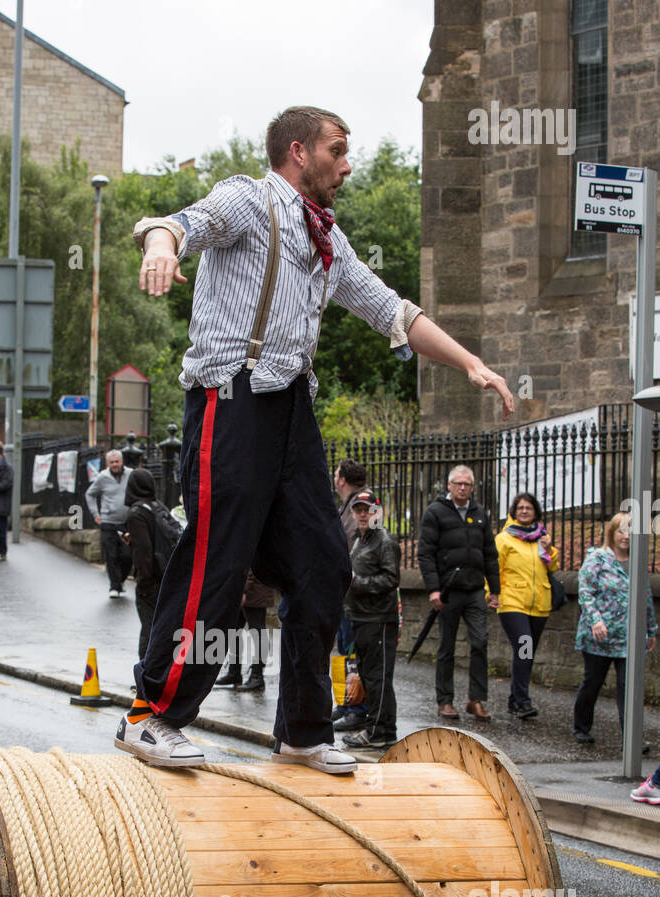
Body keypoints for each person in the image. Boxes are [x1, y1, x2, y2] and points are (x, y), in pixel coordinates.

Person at [114, 105, 513, 771]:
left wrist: (469, 361)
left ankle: (302, 731)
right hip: (232, 398)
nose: (348, 164)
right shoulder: (249, 200)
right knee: (218, 558)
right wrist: (160, 246)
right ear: (298, 152)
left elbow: (391, 309)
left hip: (292, 410)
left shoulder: (328, 239)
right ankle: (152, 715)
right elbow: (178, 224)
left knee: (324, 564)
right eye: (338, 150)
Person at [418, 465, 501, 721]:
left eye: (467, 484)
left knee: (480, 643)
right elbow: (425, 553)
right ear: (449, 485)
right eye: (458, 483)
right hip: (448, 591)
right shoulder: (435, 512)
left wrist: (495, 589)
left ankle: (475, 699)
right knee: (446, 647)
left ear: (472, 487)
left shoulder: (479, 514)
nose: (463, 488)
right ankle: (445, 700)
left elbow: (490, 553)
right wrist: (433, 589)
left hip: (475, 589)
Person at [573, 513, 657, 746]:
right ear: (611, 533)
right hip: (599, 637)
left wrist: (651, 630)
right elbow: (585, 592)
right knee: (592, 683)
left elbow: (646, 597)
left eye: (630, 531)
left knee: (629, 688)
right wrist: (596, 620)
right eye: (621, 530)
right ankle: (581, 727)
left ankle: (632, 739)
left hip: (628, 636)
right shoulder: (598, 559)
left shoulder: (637, 561)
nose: (626, 536)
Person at [339, 490, 400, 749]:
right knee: (368, 674)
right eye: (358, 510)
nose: (363, 514)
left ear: (378, 512)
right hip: (361, 617)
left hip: (379, 619)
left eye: (368, 509)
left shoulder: (383, 540)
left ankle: (381, 731)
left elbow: (390, 579)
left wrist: (357, 582)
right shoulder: (359, 539)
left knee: (378, 677)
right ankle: (376, 728)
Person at [495, 492, 560, 718]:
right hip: (513, 602)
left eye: (529, 508)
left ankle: (515, 699)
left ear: (535, 512)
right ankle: (523, 701)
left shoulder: (542, 536)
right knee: (524, 649)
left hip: (539, 602)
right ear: (514, 511)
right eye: (520, 507)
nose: (524, 511)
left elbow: (552, 568)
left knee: (527, 652)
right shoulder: (504, 539)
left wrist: (550, 549)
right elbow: (494, 569)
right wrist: (490, 593)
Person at [332, 458, 370, 731]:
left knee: (353, 651)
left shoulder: (365, 503)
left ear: (342, 479)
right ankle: (346, 702)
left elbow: (370, 543)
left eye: (336, 474)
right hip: (342, 589)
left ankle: (358, 709)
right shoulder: (346, 506)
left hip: (357, 592)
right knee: (343, 650)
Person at [123, 466, 164, 659]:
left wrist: (143, 581)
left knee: (149, 628)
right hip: (166, 576)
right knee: (163, 628)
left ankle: (147, 676)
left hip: (152, 580)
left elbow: (144, 550)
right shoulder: (157, 507)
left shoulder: (136, 514)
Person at [214, 570, 278, 691]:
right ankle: (234, 673)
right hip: (246, 589)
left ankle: (257, 677)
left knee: (258, 633)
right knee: (234, 630)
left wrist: (244, 590)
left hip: (254, 591)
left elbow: (253, 566)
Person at [85, 450, 133, 597]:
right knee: (111, 555)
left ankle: (121, 581)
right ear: (107, 464)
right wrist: (96, 514)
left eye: (117, 461)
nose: (114, 465)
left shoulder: (131, 474)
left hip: (127, 522)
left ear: (122, 461)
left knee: (127, 555)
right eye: (111, 462)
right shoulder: (102, 477)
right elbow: (90, 494)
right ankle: (114, 586)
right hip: (108, 522)